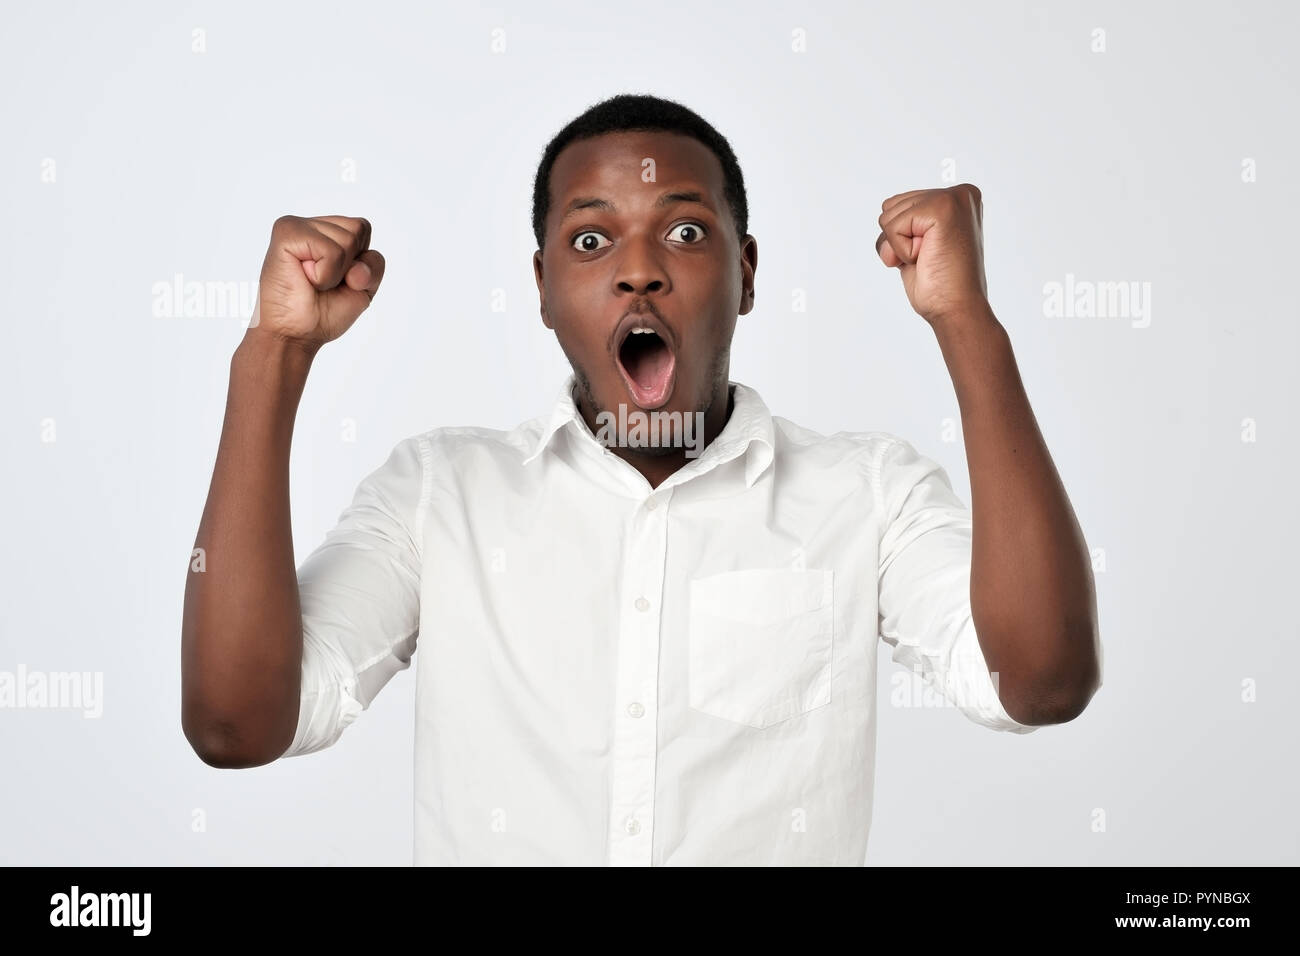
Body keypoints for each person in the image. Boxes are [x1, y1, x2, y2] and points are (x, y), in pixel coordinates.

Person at [180, 93, 1102, 866]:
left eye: (686, 231)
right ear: (541, 288)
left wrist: (965, 321)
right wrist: (275, 355)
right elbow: (236, 724)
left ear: (745, 276)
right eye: (590, 244)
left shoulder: (864, 495)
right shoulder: (440, 493)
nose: (638, 273)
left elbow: (1042, 680)